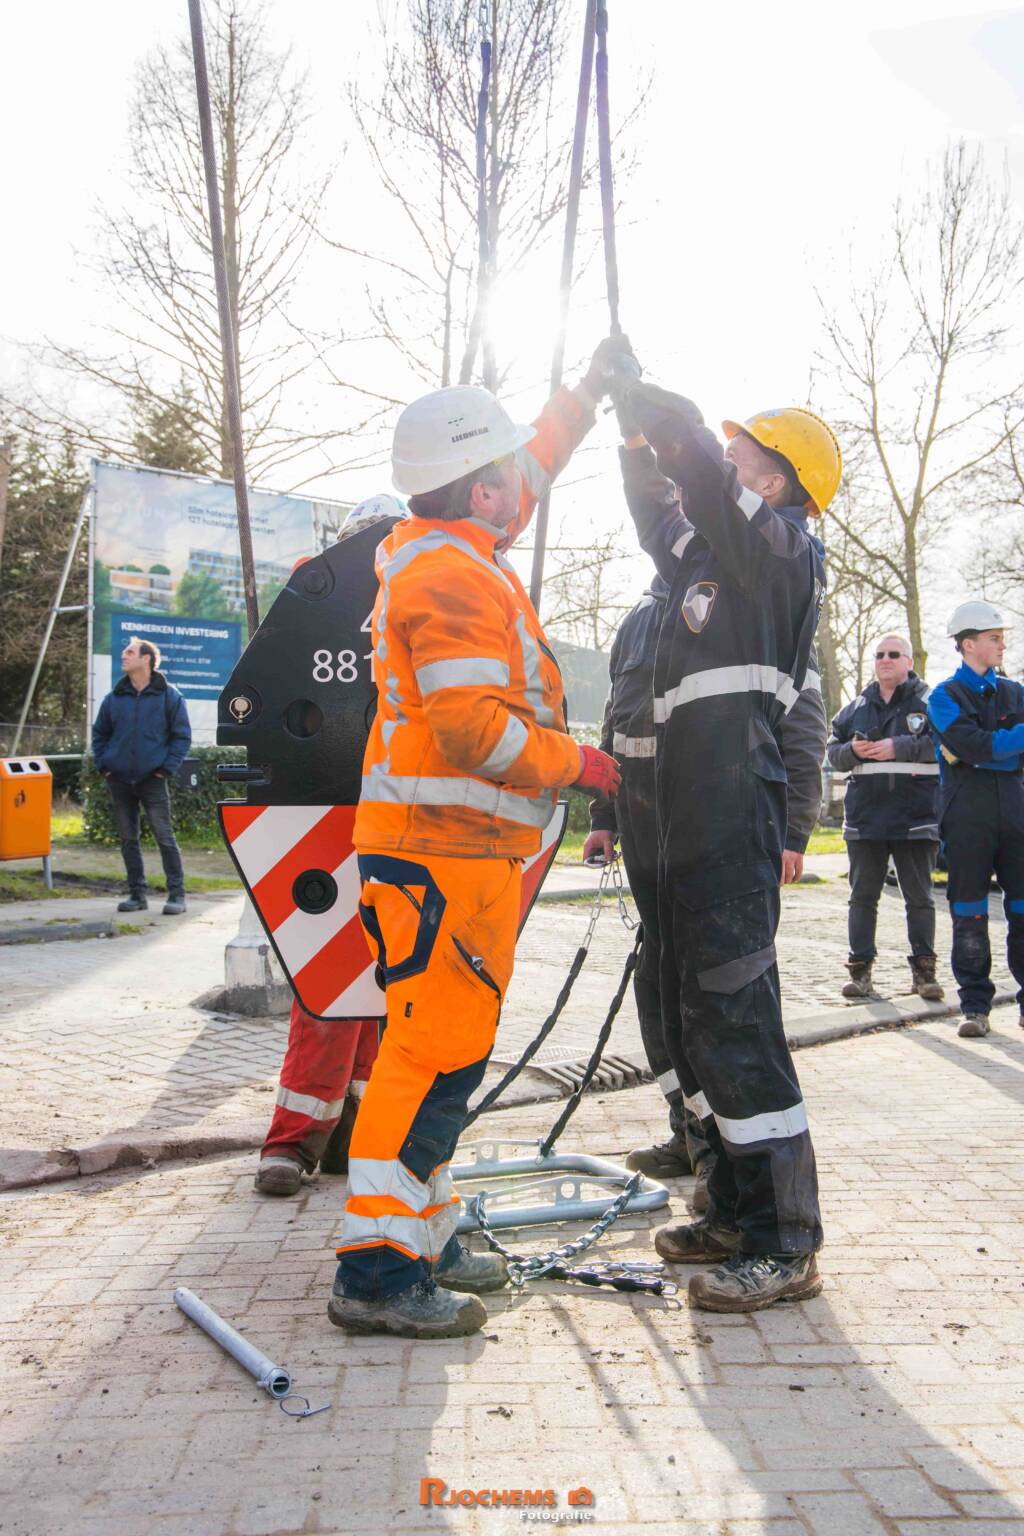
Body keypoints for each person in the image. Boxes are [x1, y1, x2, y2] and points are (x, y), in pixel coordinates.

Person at [329, 348, 623, 1340]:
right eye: (502, 472)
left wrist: (582, 399)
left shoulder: (454, 548)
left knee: (449, 1050)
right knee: (426, 1053)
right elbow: (471, 730)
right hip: (440, 856)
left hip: (453, 857)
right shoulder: (452, 577)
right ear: (472, 485)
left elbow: (527, 464)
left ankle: (432, 1228)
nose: (521, 486)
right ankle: (375, 1266)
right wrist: (574, 764)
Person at [608, 367, 839, 1312]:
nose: (724, 471)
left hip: (731, 811)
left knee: (738, 1020)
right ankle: (734, 1210)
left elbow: (701, 484)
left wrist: (670, 415)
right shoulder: (702, 566)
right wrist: (632, 433)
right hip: (672, 820)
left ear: (775, 484)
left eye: (742, 460)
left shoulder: (780, 554)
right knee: (690, 1016)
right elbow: (666, 511)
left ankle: (785, 1240)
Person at [584, 580, 827, 1213]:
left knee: (720, 1001)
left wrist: (793, 831)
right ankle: (691, 1134)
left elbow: (801, 731)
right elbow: (617, 723)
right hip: (647, 830)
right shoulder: (639, 616)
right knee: (659, 990)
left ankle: (750, 1186)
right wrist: (602, 816)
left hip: (721, 831)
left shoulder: (756, 601)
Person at [927, 600, 1024, 1039]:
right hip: (966, 812)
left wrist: (990, 749)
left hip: (1016, 809)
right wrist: (996, 749)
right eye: (994, 638)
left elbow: (981, 750)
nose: (1002, 644)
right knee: (969, 912)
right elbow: (972, 747)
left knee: (1022, 909)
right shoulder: (943, 696)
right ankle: (975, 1006)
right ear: (968, 645)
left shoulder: (1016, 693)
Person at [827, 634, 942, 1001]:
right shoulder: (856, 707)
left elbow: (946, 745)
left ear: (910, 662)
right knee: (862, 898)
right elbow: (831, 751)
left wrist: (900, 746)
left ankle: (924, 975)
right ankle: (860, 973)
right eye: (879, 655)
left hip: (915, 818)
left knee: (919, 899)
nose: (885, 660)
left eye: (894, 654)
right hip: (866, 821)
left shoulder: (931, 703)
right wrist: (851, 750)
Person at [91, 636, 191, 916]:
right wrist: (105, 766)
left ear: (146, 659)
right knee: (128, 840)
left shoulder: (170, 696)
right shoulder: (114, 698)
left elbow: (181, 737)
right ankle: (137, 895)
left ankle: (177, 896)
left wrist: (165, 770)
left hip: (152, 780)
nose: (124, 656)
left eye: (130, 652)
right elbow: (100, 735)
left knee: (165, 838)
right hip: (119, 780)